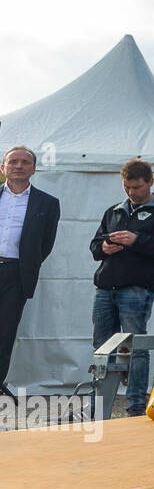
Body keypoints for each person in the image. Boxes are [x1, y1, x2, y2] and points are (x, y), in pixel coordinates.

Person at [90, 159, 154, 417]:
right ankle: (99, 405)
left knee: (135, 346)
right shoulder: (114, 211)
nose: (131, 192)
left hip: (137, 289)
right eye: (127, 187)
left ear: (150, 182)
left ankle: (137, 406)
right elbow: (95, 245)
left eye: (137, 187)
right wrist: (104, 247)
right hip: (105, 287)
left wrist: (136, 239)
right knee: (101, 346)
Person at [0, 146, 60, 401]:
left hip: (16, 274)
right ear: (3, 168)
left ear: (34, 169)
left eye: (25, 162)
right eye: (13, 161)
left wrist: (27, 265)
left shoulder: (47, 203)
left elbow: (45, 245)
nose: (19, 166)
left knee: (5, 333)